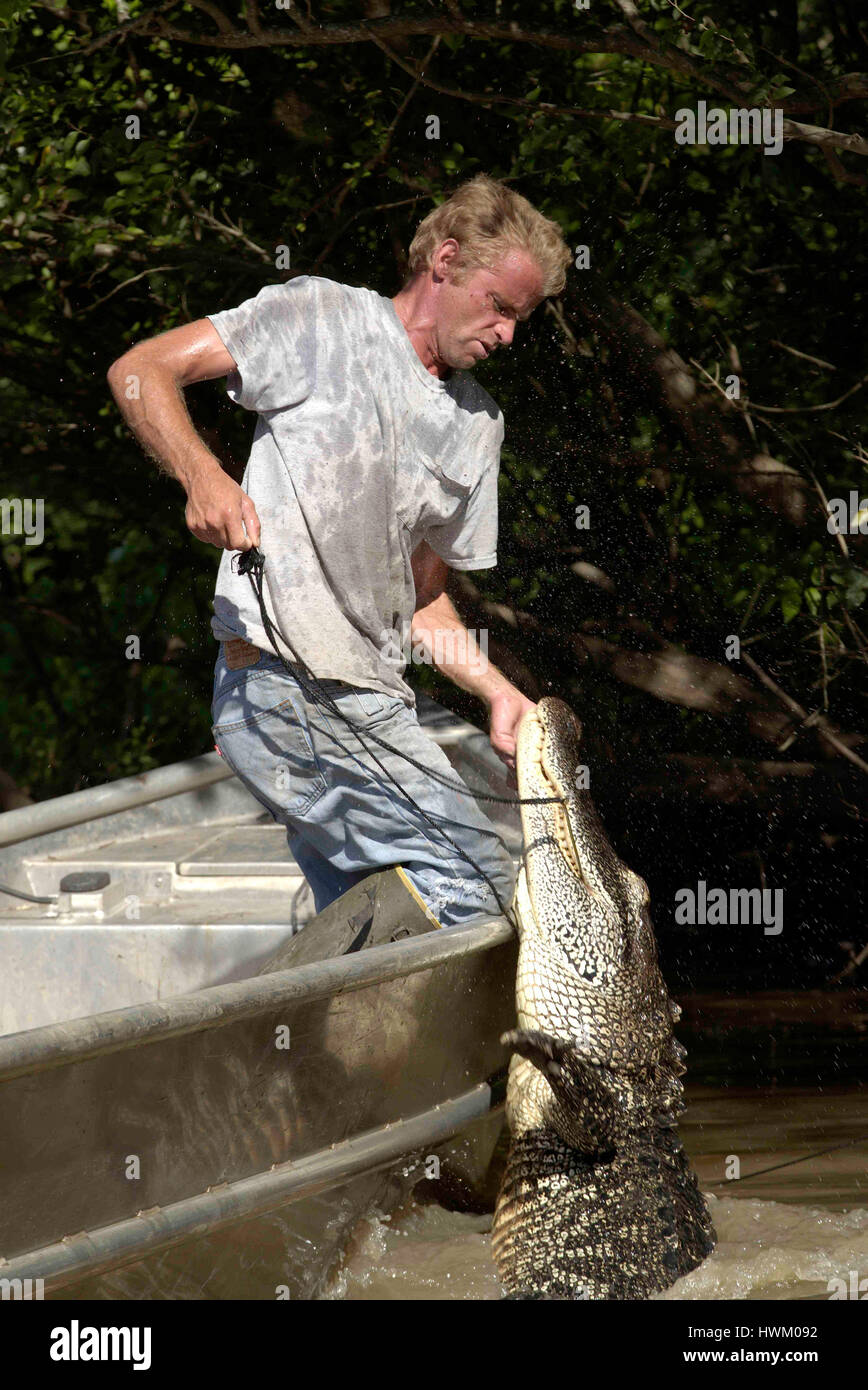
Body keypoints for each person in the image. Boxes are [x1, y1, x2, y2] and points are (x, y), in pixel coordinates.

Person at [107, 174, 571, 927]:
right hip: (288, 688)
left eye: (523, 319)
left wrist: (496, 692)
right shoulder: (320, 316)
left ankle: (333, 1045)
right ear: (445, 261)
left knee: (376, 921)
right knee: (481, 886)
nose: (509, 334)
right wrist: (204, 475)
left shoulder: (478, 425)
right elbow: (139, 370)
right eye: (501, 306)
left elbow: (421, 602)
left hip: (372, 702)